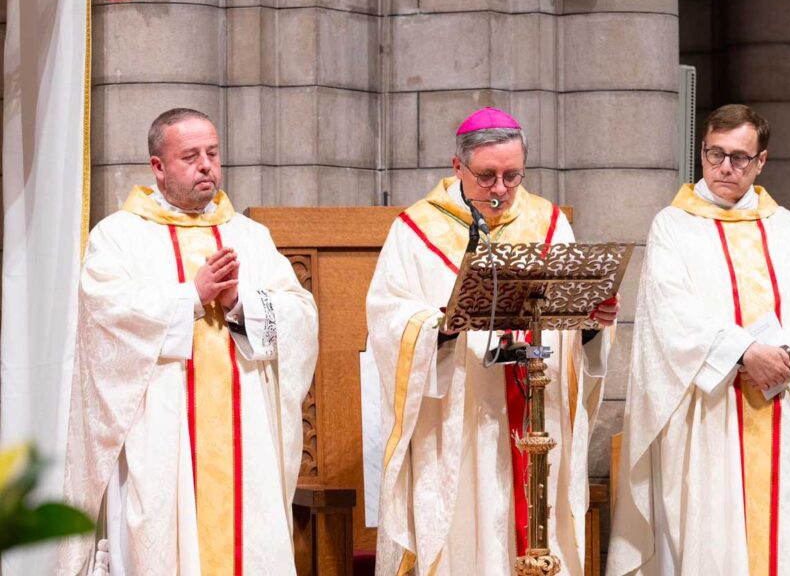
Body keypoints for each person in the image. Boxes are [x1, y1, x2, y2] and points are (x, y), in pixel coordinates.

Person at [58, 108, 319, 575]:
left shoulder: (250, 236)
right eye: (191, 156)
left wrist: (242, 302)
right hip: (161, 434)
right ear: (157, 167)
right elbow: (105, 319)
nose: (207, 166)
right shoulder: (119, 237)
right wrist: (191, 297)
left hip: (246, 439)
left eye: (213, 154)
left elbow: (301, 316)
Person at [366, 107, 620, 575]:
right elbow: (387, 316)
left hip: (533, 408)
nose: (501, 190)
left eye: (512, 175)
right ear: (456, 166)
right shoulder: (417, 229)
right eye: (486, 176)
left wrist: (590, 324)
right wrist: (437, 328)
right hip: (459, 419)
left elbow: (568, 320)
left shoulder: (548, 222)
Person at [607, 104, 790, 576]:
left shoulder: (788, 229)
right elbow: (670, 312)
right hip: (709, 414)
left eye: (739, 157)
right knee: (711, 542)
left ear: (761, 162)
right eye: (715, 154)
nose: (725, 168)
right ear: (701, 153)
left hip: (782, 405)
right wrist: (743, 352)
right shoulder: (673, 226)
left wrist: (786, 356)